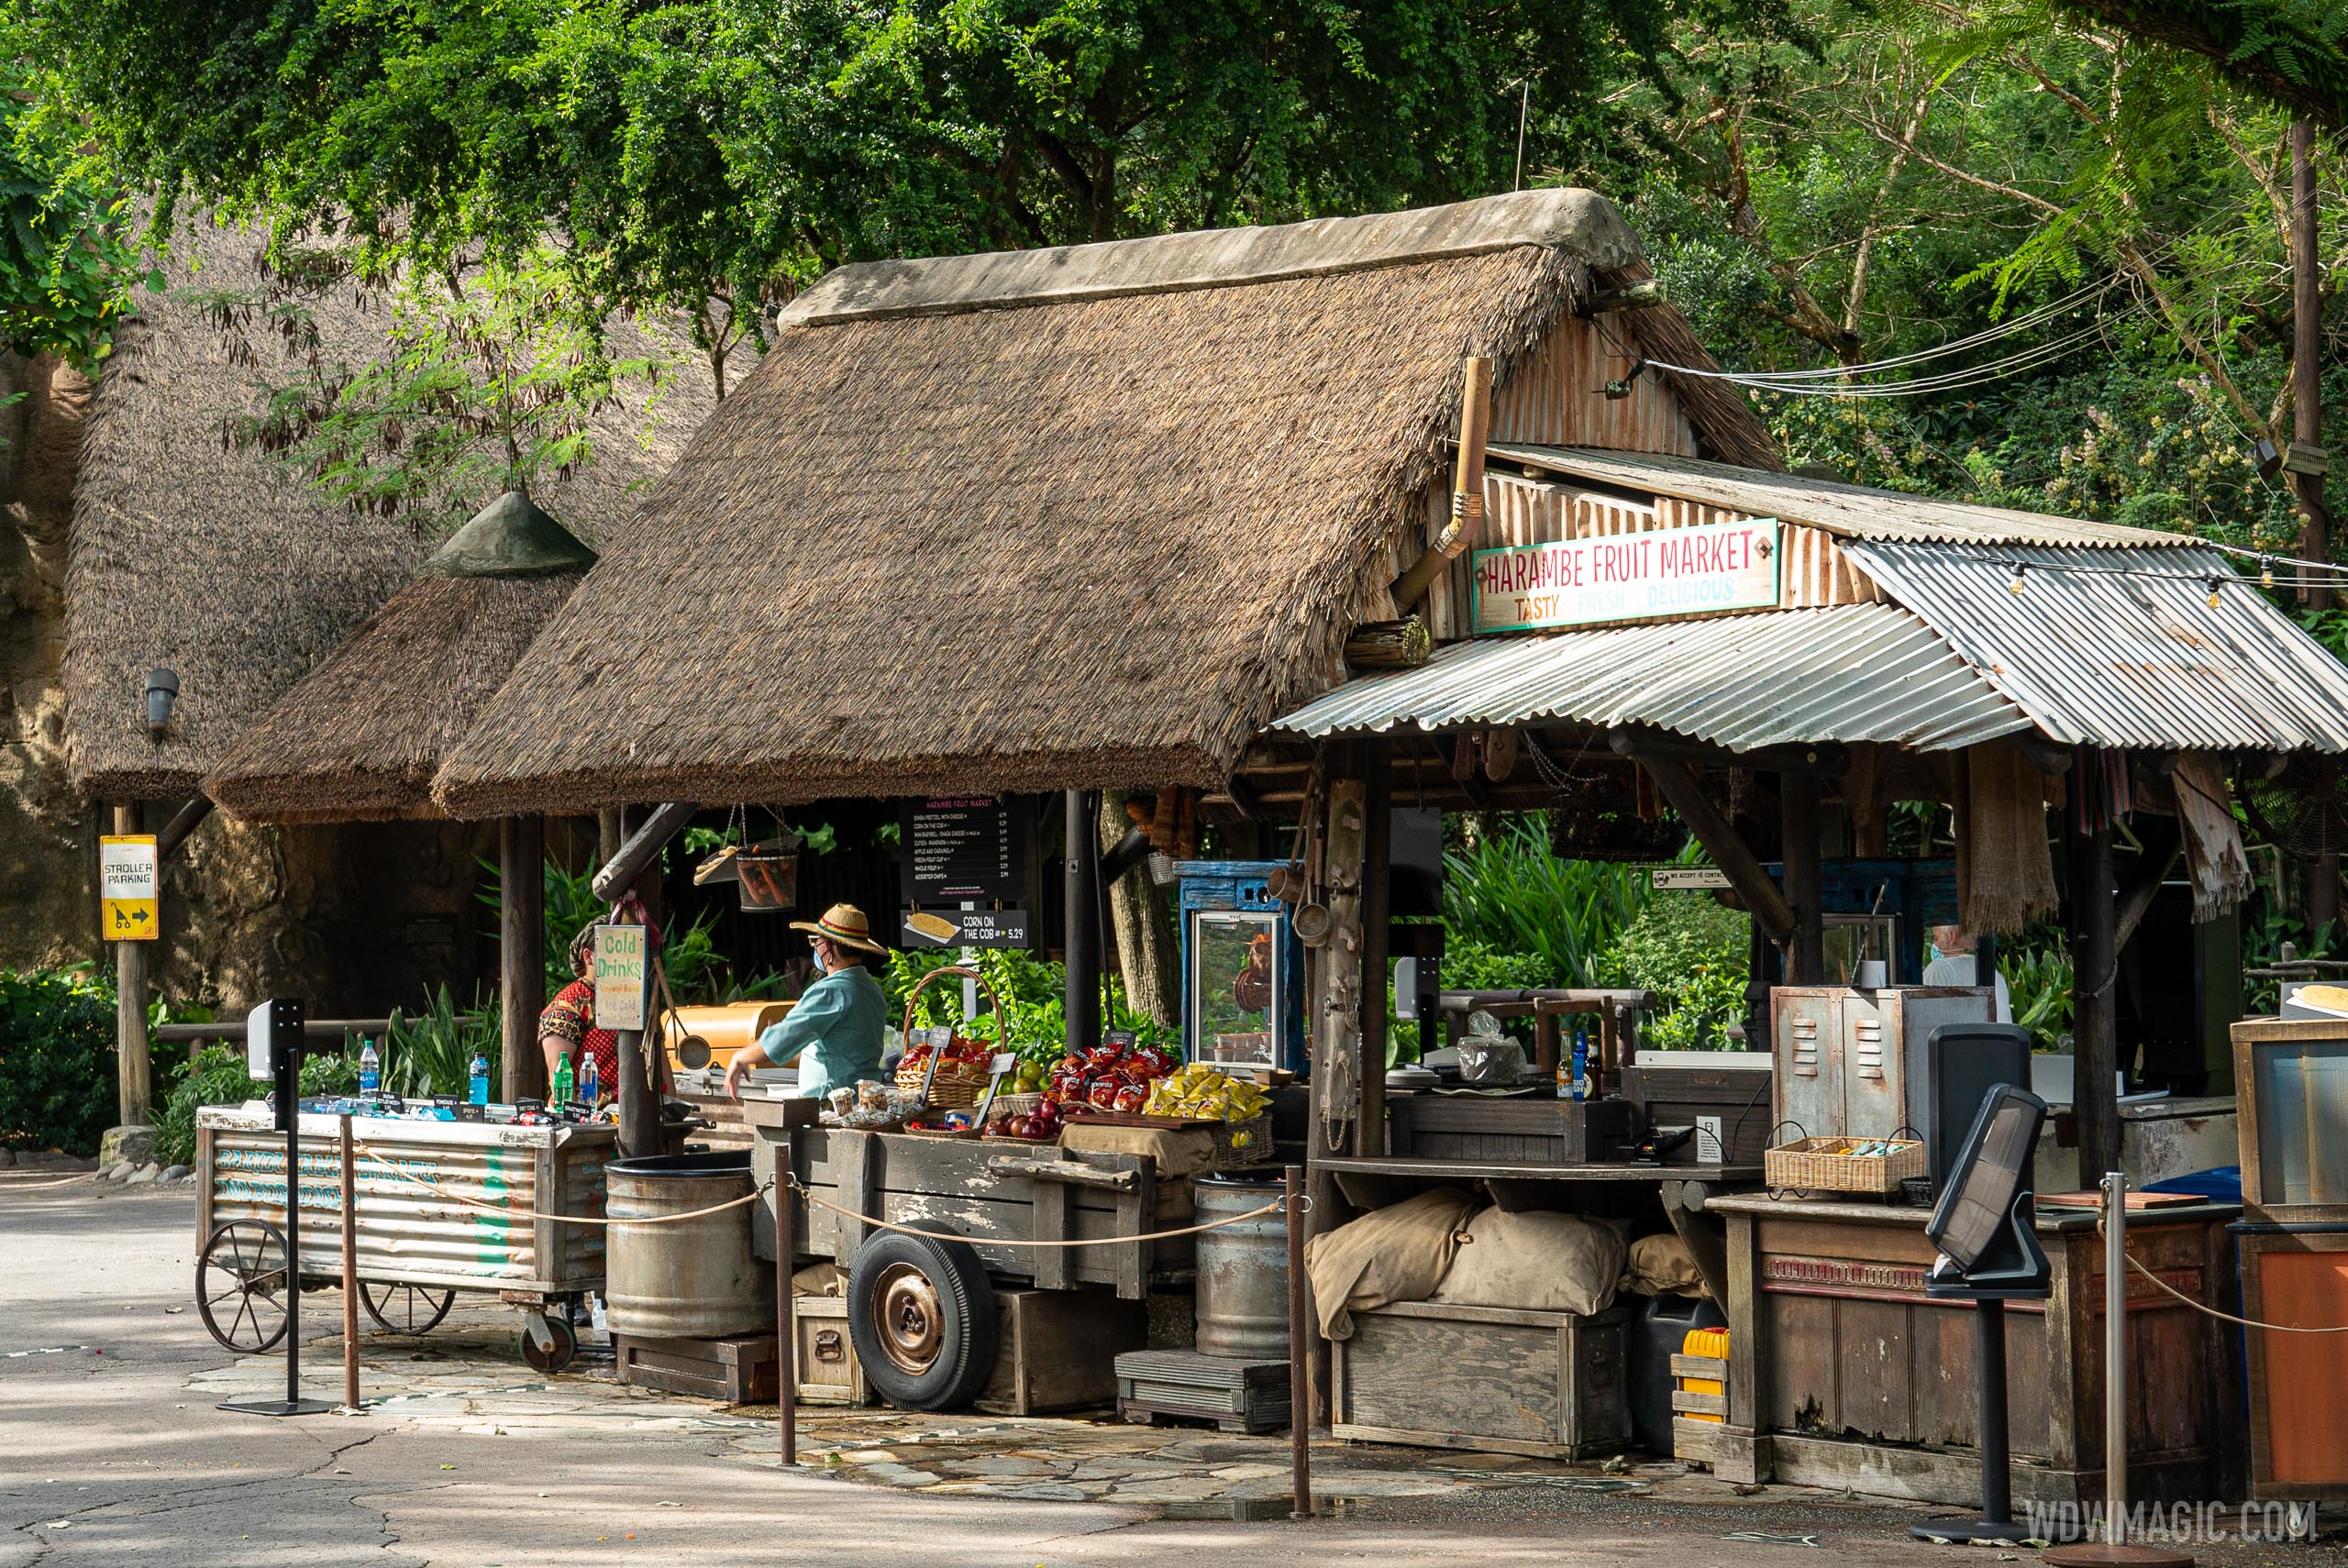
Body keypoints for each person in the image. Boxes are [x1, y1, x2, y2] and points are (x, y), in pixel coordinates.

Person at [724, 902, 889, 1099]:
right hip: (865, 1098)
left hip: (834, 1103)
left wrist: (741, 1057)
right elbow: (835, 1047)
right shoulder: (870, 988)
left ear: (827, 946)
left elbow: (786, 1036)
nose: (815, 948)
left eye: (816, 941)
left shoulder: (831, 990)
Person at [539, 924, 619, 1099]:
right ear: (588, 956)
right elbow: (558, 1079)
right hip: (588, 1120)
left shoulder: (634, 1000)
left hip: (639, 1117)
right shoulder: (566, 1006)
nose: (619, 958)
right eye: (611, 950)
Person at [1923, 924, 2013, 1023]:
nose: (1935, 944)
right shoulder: (1995, 975)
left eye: (1936, 938)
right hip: (2002, 1038)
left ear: (1952, 936)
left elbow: (1927, 1021)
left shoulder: (1938, 969)